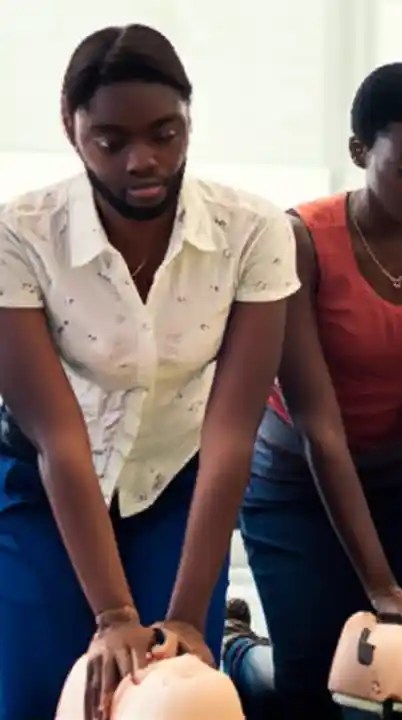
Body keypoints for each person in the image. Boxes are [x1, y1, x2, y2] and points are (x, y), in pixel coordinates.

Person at [0, 24, 299, 719]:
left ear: (190, 120)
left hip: (175, 485)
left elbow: (230, 434)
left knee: (175, 695)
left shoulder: (251, 231)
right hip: (43, 490)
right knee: (39, 694)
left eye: (166, 133)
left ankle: (222, 629)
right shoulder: (20, 235)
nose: (144, 160)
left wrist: (189, 618)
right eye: (112, 140)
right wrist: (112, 614)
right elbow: (59, 438)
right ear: (71, 130)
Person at [227, 62, 402, 718]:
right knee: (318, 682)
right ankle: (237, 648)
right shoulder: (299, 239)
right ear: (359, 153)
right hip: (293, 480)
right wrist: (379, 585)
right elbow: (321, 424)